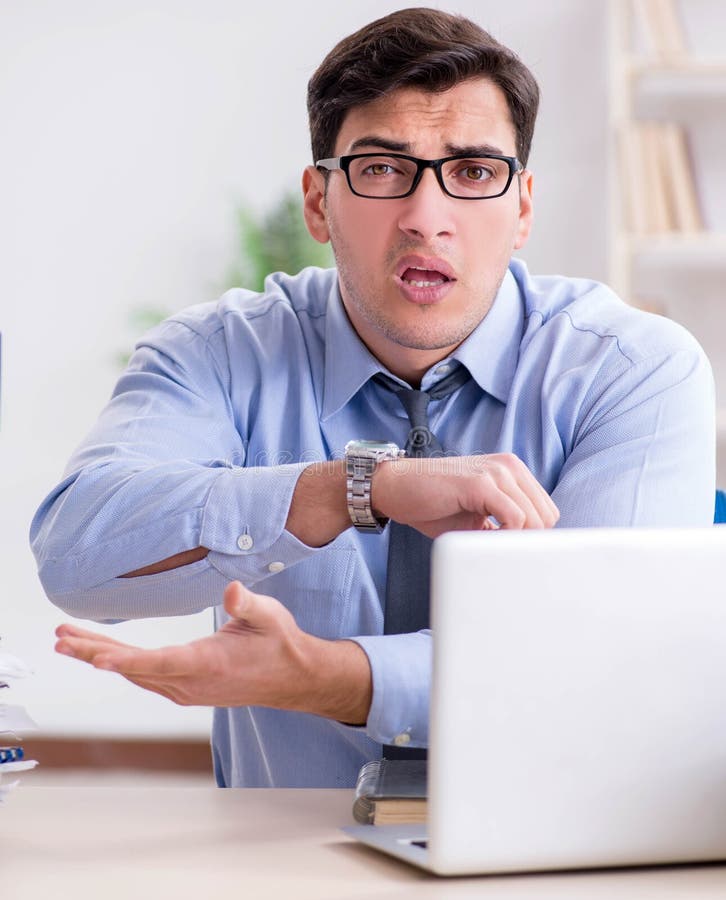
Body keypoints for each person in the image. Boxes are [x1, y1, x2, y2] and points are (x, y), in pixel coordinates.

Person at [30, 8, 714, 788]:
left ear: (522, 207)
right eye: (384, 168)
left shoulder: (633, 370)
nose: (427, 220)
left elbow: (601, 661)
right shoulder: (219, 352)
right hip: (283, 861)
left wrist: (332, 678)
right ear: (319, 202)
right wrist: (356, 489)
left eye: (474, 172)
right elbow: (76, 557)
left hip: (551, 861)